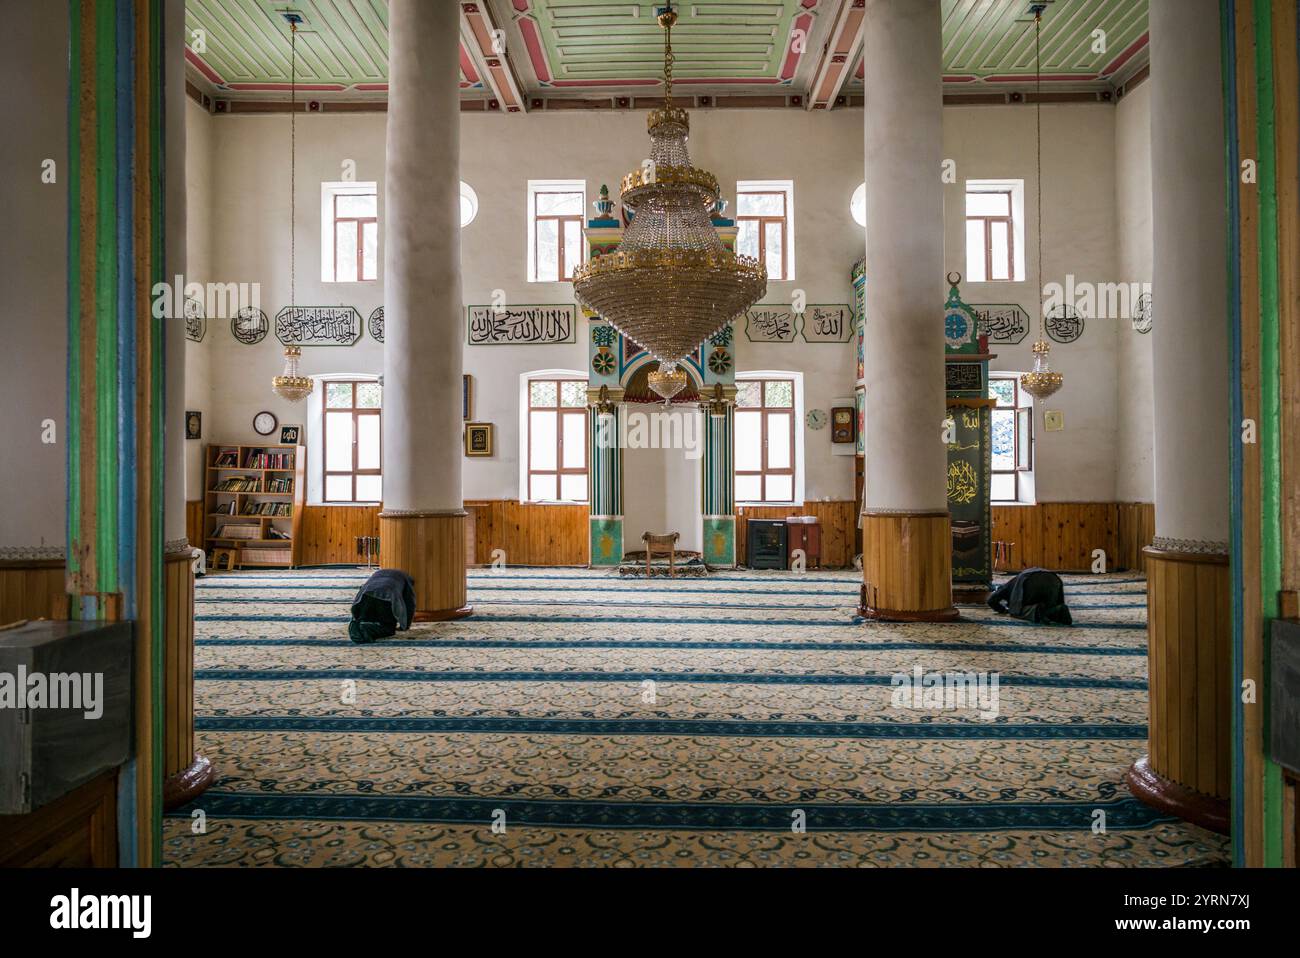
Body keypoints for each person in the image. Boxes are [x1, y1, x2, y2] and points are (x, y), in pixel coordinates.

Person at [348, 568, 417, 643]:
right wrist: (405, 626)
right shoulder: (406, 580)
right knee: (388, 629)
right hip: (386, 597)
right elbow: (410, 605)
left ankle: (358, 624)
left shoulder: (379, 572)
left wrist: (356, 614)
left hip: (366, 594)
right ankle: (366, 629)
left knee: (366, 619)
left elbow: (362, 590)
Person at [986, 567, 1072, 625]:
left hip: (1030, 581)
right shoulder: (1014, 581)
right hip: (1054, 579)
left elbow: (991, 600)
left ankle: (1037, 610)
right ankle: (1060, 609)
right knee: (1050, 607)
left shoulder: (1007, 586)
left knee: (1017, 611)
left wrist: (1003, 610)